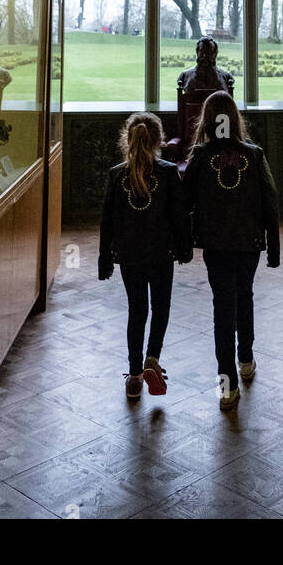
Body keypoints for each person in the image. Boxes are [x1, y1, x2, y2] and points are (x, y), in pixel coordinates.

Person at [182, 91, 280, 411]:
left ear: (207, 120)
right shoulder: (254, 155)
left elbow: (185, 204)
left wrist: (182, 245)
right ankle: (247, 359)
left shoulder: (199, 157)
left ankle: (227, 386)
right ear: (235, 118)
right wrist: (273, 249)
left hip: (216, 243)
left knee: (222, 308)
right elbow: (270, 202)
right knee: (245, 295)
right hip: (249, 241)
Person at [98, 112, 192, 400]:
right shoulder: (167, 172)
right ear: (158, 141)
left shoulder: (117, 174)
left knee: (136, 310)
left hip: (128, 254)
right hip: (161, 253)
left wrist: (104, 257)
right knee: (160, 308)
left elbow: (107, 220)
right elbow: (179, 216)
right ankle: (153, 358)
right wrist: (185, 248)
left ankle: (135, 375)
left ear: (128, 139)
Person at [165, 36, 235, 166]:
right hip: (192, 147)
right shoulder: (185, 76)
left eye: (209, 52)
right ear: (197, 52)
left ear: (215, 54)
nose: (205, 56)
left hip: (220, 144)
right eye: (202, 52)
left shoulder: (226, 77)